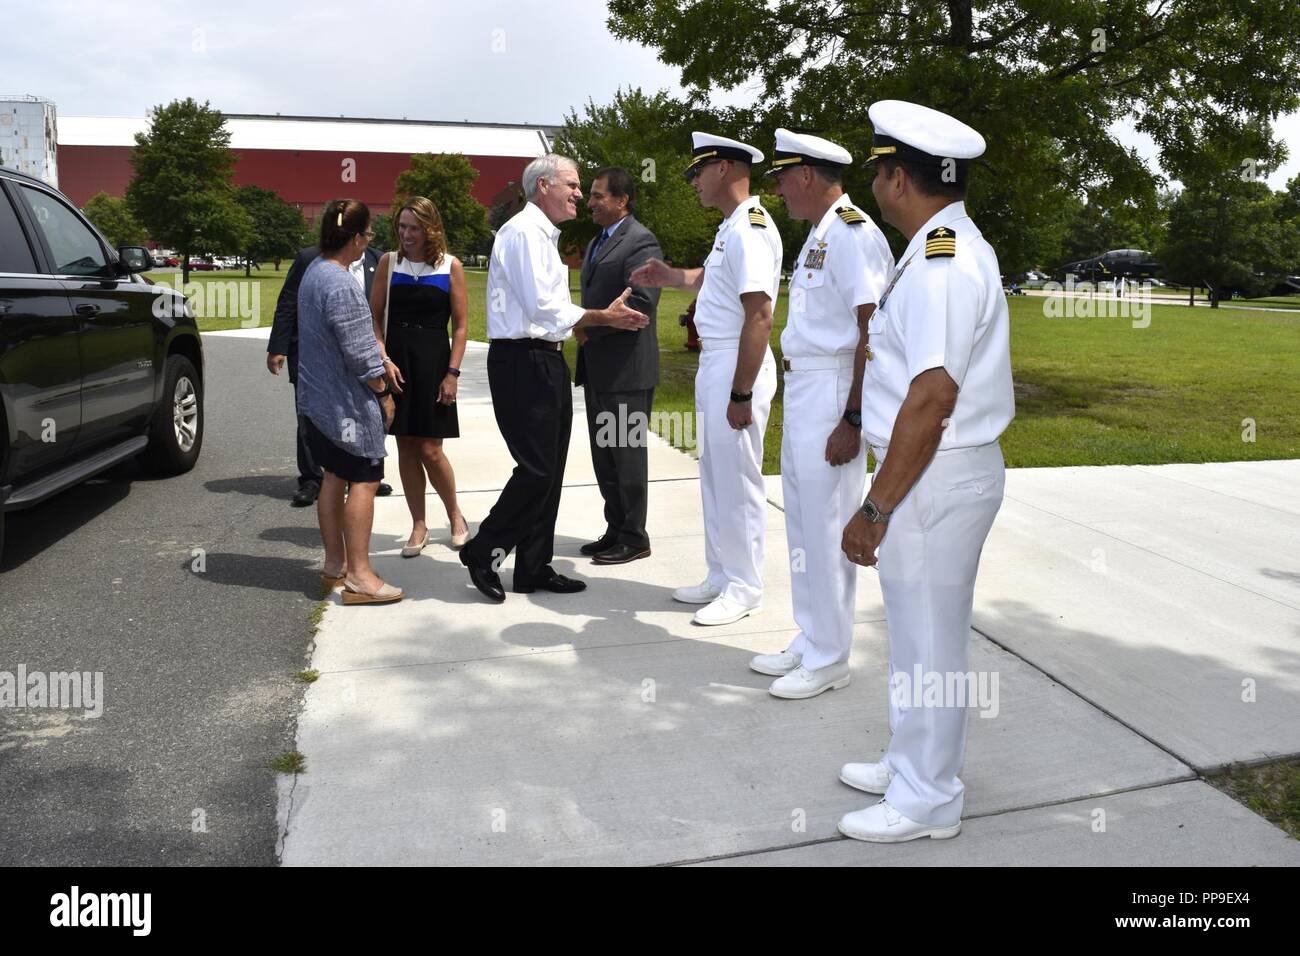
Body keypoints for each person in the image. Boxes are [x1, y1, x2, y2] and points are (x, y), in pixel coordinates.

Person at [836, 101, 1014, 842]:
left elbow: (933, 395)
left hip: (932, 477)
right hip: (926, 472)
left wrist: (873, 508)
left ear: (899, 179)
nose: (874, 183)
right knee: (912, 635)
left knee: (932, 642)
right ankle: (911, 760)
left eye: (878, 170)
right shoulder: (937, 247)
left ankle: (929, 796)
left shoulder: (945, 260)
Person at [458, 154, 649, 603]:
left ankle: (533, 565)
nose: (580, 194)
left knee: (551, 467)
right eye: (572, 184)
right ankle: (483, 550)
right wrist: (601, 316)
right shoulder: (525, 233)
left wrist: (580, 324)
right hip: (522, 362)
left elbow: (549, 312)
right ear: (543, 186)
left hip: (544, 359)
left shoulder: (542, 235)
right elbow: (543, 307)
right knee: (537, 468)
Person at [756, 129, 893, 699]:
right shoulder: (822, 232)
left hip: (837, 390)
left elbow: (872, 331)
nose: (781, 191)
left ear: (807, 175)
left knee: (830, 521)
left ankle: (831, 654)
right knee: (803, 521)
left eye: (785, 178)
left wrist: (853, 418)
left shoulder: (853, 234)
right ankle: (812, 633)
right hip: (808, 386)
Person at [631, 133, 781, 626]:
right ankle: (721, 572)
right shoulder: (729, 229)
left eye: (698, 171)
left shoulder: (750, 228)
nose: (693, 181)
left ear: (723, 169)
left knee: (738, 479)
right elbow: (713, 279)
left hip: (738, 362)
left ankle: (744, 585)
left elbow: (759, 315)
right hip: (717, 361)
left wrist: (741, 391)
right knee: (716, 475)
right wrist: (672, 276)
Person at [296, 199, 403, 606]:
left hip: (317, 405)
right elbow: (360, 354)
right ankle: (360, 576)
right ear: (356, 238)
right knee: (364, 479)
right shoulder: (341, 283)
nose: (367, 245)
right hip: (346, 408)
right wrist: (383, 394)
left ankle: (333, 565)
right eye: (368, 236)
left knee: (333, 477)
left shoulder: (314, 272)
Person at [369, 196, 470, 557]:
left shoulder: (450, 266)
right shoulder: (388, 262)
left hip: (433, 361)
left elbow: (460, 327)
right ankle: (418, 523)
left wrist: (452, 374)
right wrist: (382, 359)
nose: (406, 234)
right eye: (401, 226)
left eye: (413, 227)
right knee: (406, 445)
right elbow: (374, 318)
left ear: (430, 229)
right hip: (396, 363)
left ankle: (455, 514)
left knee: (431, 447)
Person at [574, 166, 664, 565]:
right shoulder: (597, 241)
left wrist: (591, 325)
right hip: (598, 369)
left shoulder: (641, 241)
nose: (589, 203)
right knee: (605, 454)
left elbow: (641, 304)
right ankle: (615, 528)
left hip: (626, 371)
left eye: (597, 196)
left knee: (626, 454)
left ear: (621, 200)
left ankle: (634, 536)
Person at [268, 239, 393, 504]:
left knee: (361, 415)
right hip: (315, 358)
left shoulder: (378, 260)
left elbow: (381, 312)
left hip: (358, 358)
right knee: (311, 418)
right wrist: (278, 347)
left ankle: (357, 473)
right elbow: (288, 302)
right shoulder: (310, 259)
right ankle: (313, 478)